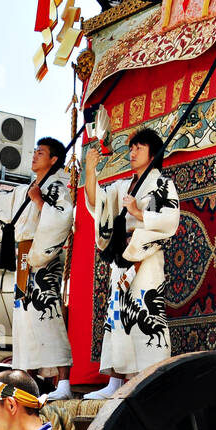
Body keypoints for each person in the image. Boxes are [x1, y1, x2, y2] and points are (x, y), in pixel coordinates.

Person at [0, 136, 74, 404]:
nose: (34, 155)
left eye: (41, 152)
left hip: (44, 257)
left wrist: (40, 201)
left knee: (49, 315)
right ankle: (26, 384)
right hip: (24, 258)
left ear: (54, 160)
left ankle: (63, 382)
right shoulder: (27, 189)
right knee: (24, 323)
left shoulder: (58, 186)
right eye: (35, 151)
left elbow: (63, 217)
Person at [82, 127, 181, 399]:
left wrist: (138, 212)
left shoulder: (162, 184)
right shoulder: (124, 185)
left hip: (146, 256)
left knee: (144, 311)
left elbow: (170, 219)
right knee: (117, 314)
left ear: (153, 153)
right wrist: (91, 171)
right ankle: (116, 380)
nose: (133, 152)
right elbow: (98, 204)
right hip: (122, 257)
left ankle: (145, 379)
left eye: (139, 147)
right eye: (131, 147)